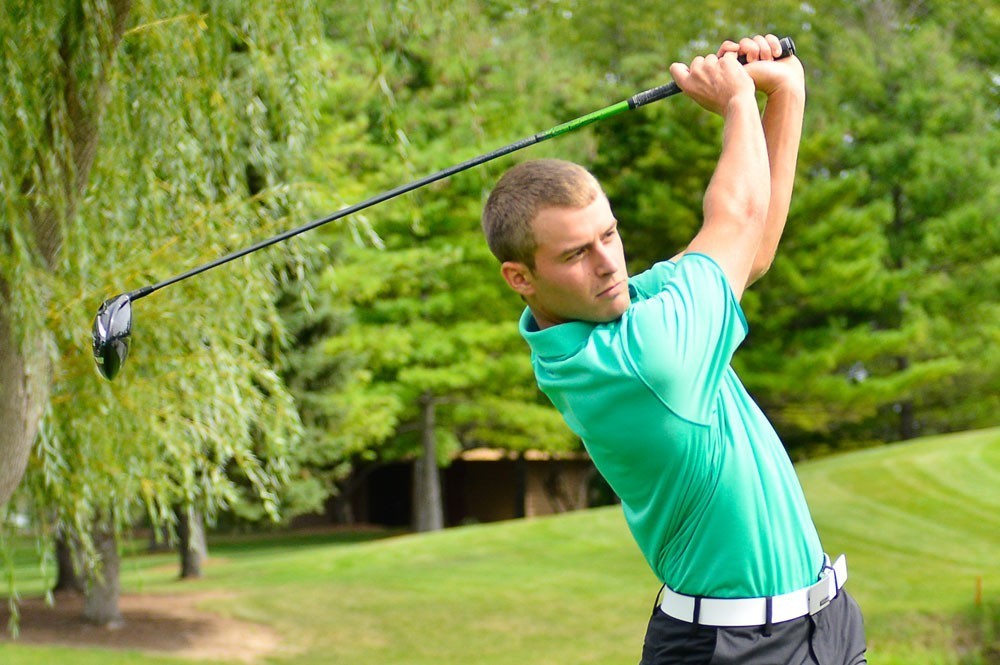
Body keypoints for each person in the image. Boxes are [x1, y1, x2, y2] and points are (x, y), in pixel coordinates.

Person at [481, 34, 867, 664]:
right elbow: (736, 217)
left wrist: (785, 94)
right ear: (520, 278)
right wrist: (738, 102)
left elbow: (753, 249)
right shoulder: (643, 359)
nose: (608, 264)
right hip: (732, 649)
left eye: (610, 234)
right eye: (576, 253)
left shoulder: (623, 316)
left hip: (821, 625)